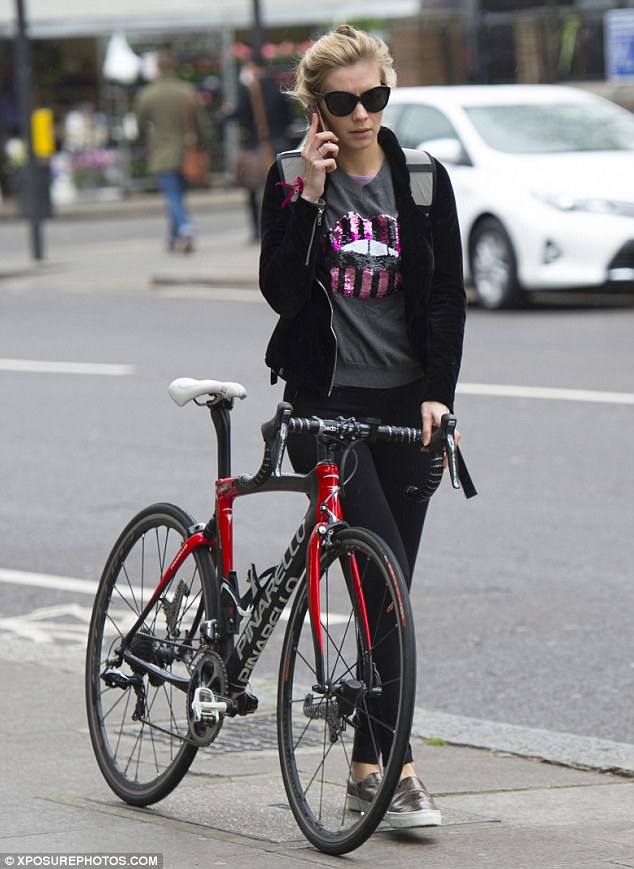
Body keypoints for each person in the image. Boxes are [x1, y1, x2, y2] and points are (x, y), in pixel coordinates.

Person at [259, 25, 466, 829]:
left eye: (374, 97)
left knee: (394, 591)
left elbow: (446, 297)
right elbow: (281, 290)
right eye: (343, 103)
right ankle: (400, 771)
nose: (360, 115)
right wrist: (309, 197)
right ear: (316, 106)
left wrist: (438, 395)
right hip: (325, 406)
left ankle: (366, 762)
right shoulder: (287, 178)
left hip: (406, 406)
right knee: (380, 579)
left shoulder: (420, 179)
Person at [134, 49, 207, 253]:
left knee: (172, 196)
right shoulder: (187, 91)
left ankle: (185, 229)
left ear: (157, 68)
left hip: (162, 153)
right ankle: (172, 236)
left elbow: (139, 125)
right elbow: (200, 123)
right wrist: (203, 145)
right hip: (186, 152)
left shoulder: (147, 94)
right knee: (177, 195)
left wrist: (143, 137)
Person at [229, 57, 294, 241]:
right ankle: (286, 224)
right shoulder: (278, 88)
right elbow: (288, 117)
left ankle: (258, 230)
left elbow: (237, 113)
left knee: (253, 189)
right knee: (284, 187)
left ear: (254, 67)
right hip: (280, 144)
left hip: (256, 145)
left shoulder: (249, 90)